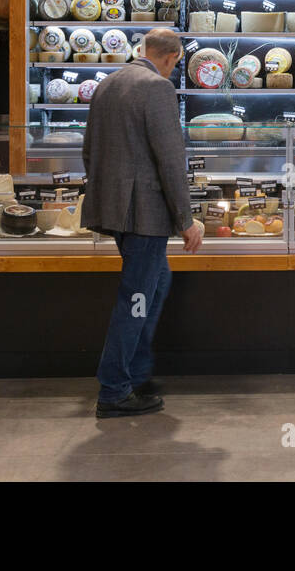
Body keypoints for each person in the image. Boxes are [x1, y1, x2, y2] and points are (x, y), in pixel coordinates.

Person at [82, 28, 203, 419]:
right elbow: (170, 160)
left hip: (116, 209)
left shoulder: (107, 84)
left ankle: (134, 372)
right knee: (134, 301)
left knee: (156, 283)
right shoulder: (157, 88)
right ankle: (115, 390)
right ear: (172, 57)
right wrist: (186, 221)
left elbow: (89, 151)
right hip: (144, 214)